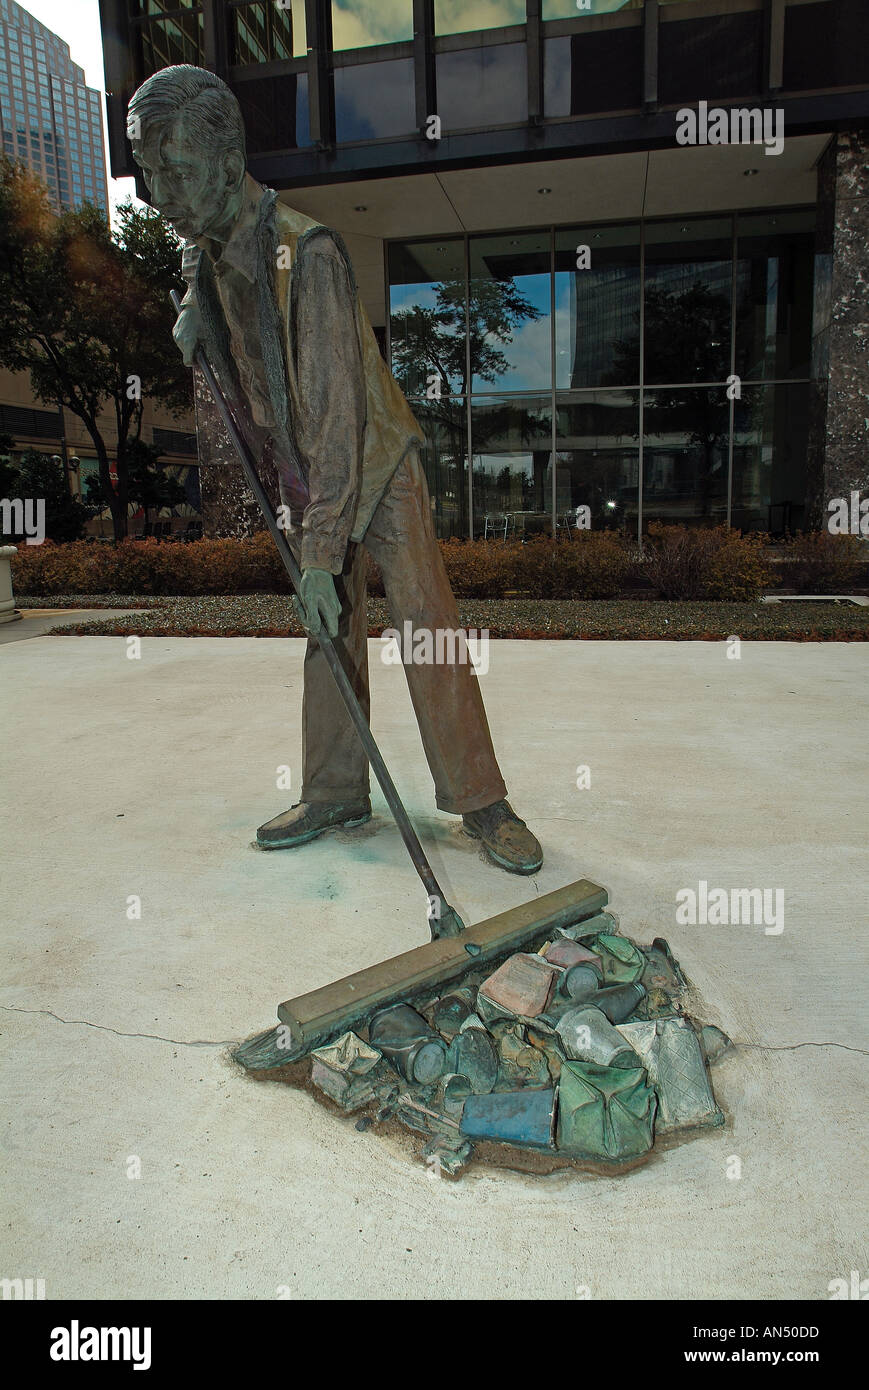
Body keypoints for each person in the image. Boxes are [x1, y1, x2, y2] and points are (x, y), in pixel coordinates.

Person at [127, 64, 543, 876]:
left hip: (372, 458)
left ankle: (481, 801)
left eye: (174, 169)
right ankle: (333, 790)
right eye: (150, 173)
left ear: (226, 153)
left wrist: (320, 553)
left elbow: (336, 416)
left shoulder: (305, 253)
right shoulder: (208, 244)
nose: (162, 192)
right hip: (306, 465)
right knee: (328, 628)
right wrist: (193, 311)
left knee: (424, 622)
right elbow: (208, 282)